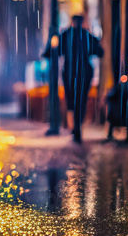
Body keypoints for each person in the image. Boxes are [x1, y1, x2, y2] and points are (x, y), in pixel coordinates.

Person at [42, 15, 104, 143]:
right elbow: (100, 52)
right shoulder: (86, 36)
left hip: (71, 73)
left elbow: (50, 52)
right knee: (80, 100)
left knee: (72, 100)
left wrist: (52, 44)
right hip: (84, 72)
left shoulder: (66, 35)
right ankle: (77, 126)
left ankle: (75, 126)